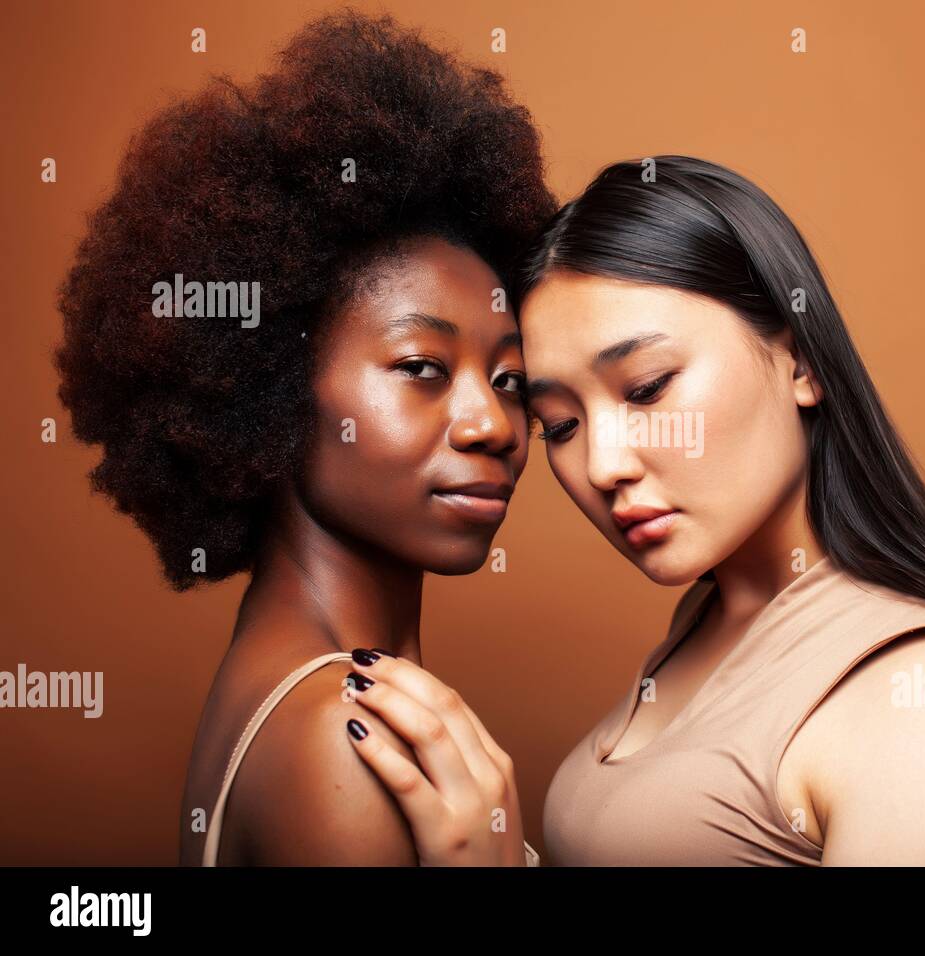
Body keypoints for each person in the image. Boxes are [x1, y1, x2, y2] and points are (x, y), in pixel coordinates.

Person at [344, 156, 925, 865]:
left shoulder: (923, 697)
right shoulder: (711, 616)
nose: (602, 466)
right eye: (560, 426)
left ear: (800, 362)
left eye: (648, 387)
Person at [53, 11, 555, 865]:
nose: (492, 425)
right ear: (274, 388)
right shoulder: (346, 744)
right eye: (422, 366)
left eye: (510, 380)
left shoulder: (316, 691)